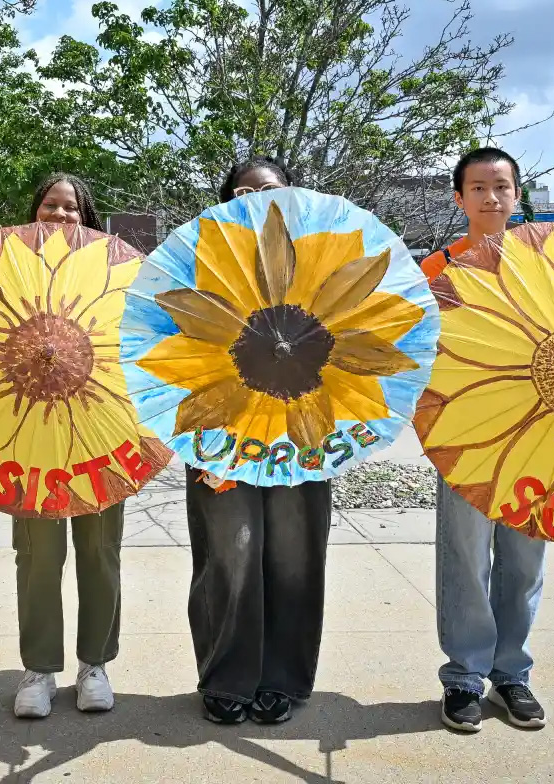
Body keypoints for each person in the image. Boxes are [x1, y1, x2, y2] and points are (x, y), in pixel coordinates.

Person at [185, 156, 332, 727]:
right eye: (242, 192)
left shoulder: (323, 262)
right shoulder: (197, 262)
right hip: (221, 434)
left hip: (305, 431)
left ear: (291, 198)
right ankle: (226, 677)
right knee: (231, 553)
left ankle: (285, 678)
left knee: (295, 554)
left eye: (269, 191)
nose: (256, 200)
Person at [419, 146, 548, 733]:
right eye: (478, 188)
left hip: (540, 434)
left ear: (518, 195)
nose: (491, 198)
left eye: (502, 186)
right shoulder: (434, 272)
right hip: (464, 435)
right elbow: (412, 353)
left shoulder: (550, 262)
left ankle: (511, 673)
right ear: (459, 198)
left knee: (524, 559)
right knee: (466, 557)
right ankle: (465, 677)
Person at [11, 172, 123, 719]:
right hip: (27, 437)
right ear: (35, 211)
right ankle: (38, 669)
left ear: (87, 217)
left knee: (99, 553)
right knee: (37, 556)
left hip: (102, 434)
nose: (59, 216)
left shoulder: (113, 269)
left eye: (71, 208)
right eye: (50, 206)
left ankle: (94, 664)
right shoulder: (6, 269)